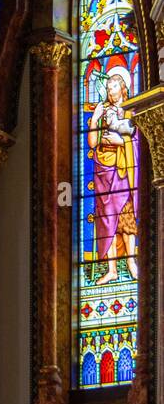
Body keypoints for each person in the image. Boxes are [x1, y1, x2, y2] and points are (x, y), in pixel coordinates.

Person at [86, 65, 138, 283]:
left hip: (122, 172)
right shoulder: (102, 110)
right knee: (107, 222)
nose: (109, 87)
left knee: (126, 219)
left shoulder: (130, 112)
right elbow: (92, 142)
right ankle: (112, 269)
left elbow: (137, 143)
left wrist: (121, 141)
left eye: (113, 84)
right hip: (103, 171)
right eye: (107, 85)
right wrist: (96, 119)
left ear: (123, 87)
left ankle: (132, 262)